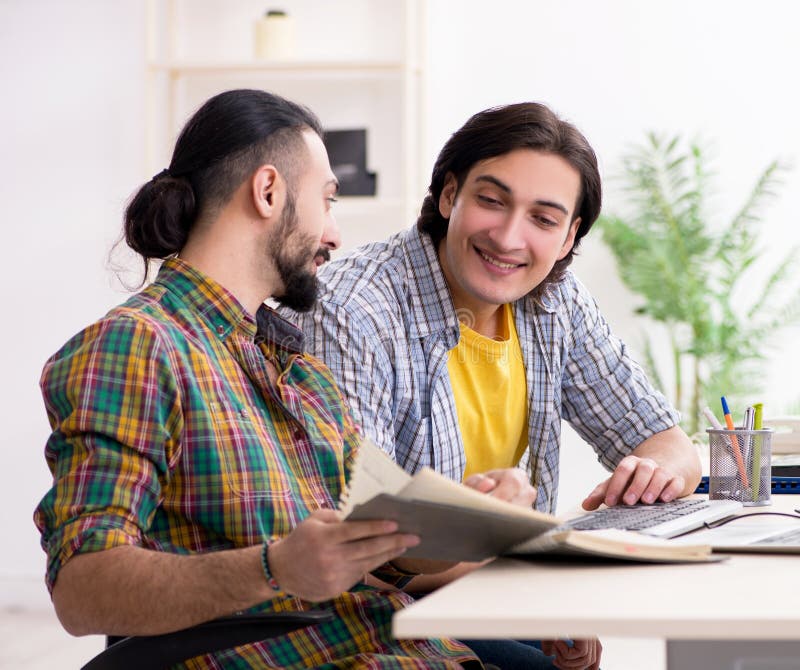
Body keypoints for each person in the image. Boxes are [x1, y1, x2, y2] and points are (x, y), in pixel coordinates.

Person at [32, 88, 529, 669]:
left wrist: (455, 525)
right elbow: (81, 588)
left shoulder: (300, 372)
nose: (335, 234)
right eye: (327, 200)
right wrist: (275, 568)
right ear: (268, 191)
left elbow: (375, 558)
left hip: (406, 648)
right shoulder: (139, 345)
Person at [283, 102, 704, 669]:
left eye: (543, 219)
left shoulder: (555, 301)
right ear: (449, 195)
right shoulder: (355, 310)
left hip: (485, 593)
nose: (508, 238)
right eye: (492, 201)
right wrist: (543, 586)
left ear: (568, 236)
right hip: (371, 616)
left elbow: (670, 445)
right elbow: (359, 543)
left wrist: (656, 473)